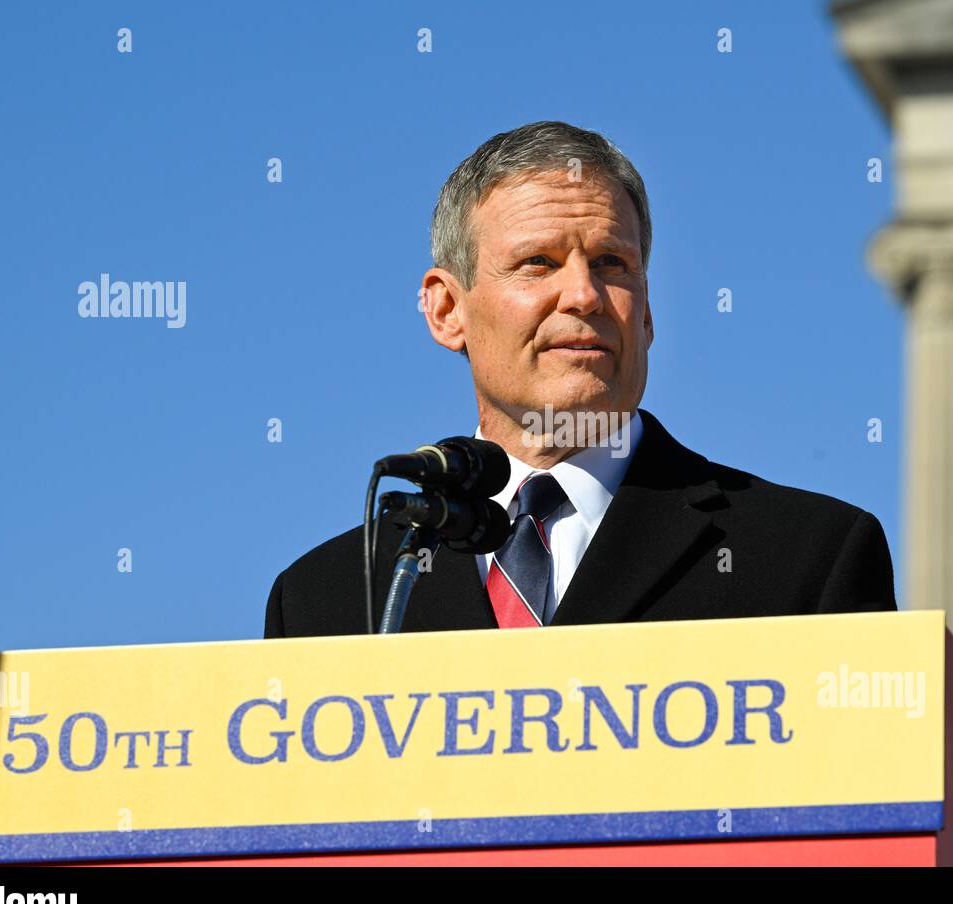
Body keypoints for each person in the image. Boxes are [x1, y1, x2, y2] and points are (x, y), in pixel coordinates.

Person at [265, 121, 895, 638]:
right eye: (538, 263)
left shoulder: (808, 556)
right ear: (447, 310)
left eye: (611, 264)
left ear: (646, 313)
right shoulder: (329, 596)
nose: (585, 295)